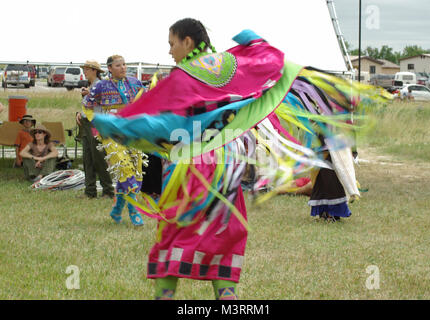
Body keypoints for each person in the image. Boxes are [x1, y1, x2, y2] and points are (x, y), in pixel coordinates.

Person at [92, 18, 390, 299]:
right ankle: (227, 296)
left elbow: (168, 125)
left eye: (172, 43)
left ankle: (166, 295)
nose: (169, 51)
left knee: (174, 234)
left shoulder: (183, 78)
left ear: (187, 41)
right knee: (222, 233)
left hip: (192, 169)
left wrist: (118, 126)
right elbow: (270, 60)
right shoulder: (231, 64)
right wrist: (251, 38)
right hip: (228, 166)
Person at [83, 55, 146, 226]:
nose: (123, 68)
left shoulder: (135, 83)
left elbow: (147, 103)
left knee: (136, 170)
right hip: (111, 134)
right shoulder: (101, 86)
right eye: (118, 65)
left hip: (132, 133)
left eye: (124, 64)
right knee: (125, 169)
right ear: (110, 68)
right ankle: (134, 211)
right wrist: (98, 124)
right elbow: (88, 105)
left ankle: (117, 209)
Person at [76, 60, 114, 199]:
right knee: (87, 157)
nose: (84, 72)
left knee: (98, 157)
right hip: (87, 123)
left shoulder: (100, 85)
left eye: (86, 69)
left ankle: (108, 190)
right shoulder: (90, 85)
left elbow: (105, 101)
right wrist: (80, 114)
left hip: (95, 124)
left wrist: (89, 94)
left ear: (94, 70)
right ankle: (90, 190)